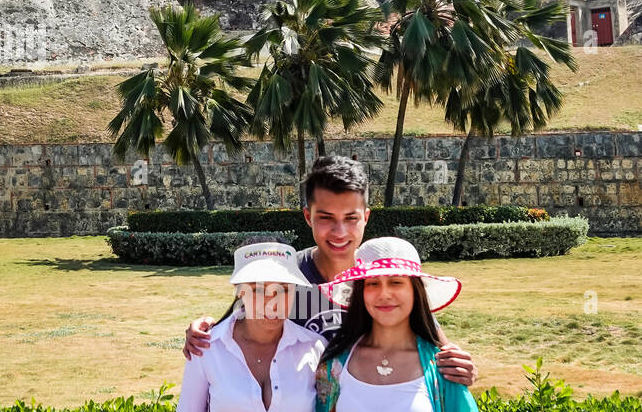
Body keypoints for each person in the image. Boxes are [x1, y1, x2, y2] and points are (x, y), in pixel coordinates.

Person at [181, 156, 477, 387]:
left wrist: (457, 363)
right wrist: (203, 329)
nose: (339, 232)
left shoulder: (381, 278)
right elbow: (236, 325)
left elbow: (432, 338)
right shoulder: (285, 275)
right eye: (326, 218)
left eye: (351, 218)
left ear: (366, 218)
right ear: (308, 216)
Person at [314, 237, 490, 412]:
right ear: (360, 292)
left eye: (396, 282)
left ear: (415, 291)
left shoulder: (443, 368)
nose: (384, 294)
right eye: (372, 283)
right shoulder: (334, 367)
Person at [162, 243, 326, 412]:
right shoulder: (207, 349)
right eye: (259, 290)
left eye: (284, 289)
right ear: (240, 292)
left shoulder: (315, 349)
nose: (273, 301)